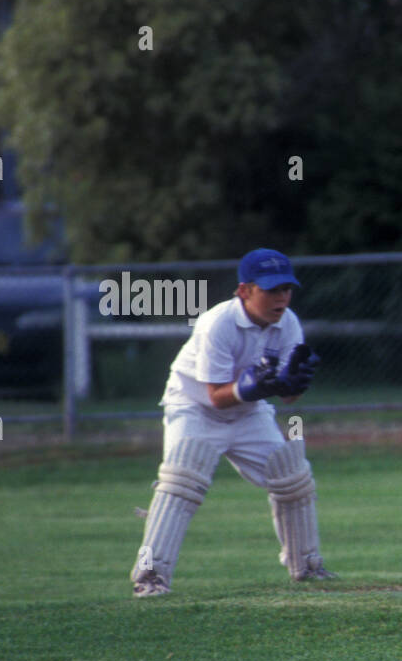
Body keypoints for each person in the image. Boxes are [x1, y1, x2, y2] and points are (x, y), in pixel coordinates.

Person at [130, 248, 335, 597]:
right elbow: (215, 395)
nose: (281, 298)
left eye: (286, 289)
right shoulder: (218, 323)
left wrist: (294, 385)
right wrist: (250, 386)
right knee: (181, 482)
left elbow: (287, 398)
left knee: (292, 475)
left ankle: (307, 566)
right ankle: (150, 576)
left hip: (248, 412)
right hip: (195, 407)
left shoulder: (288, 322)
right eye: (271, 290)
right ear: (244, 290)